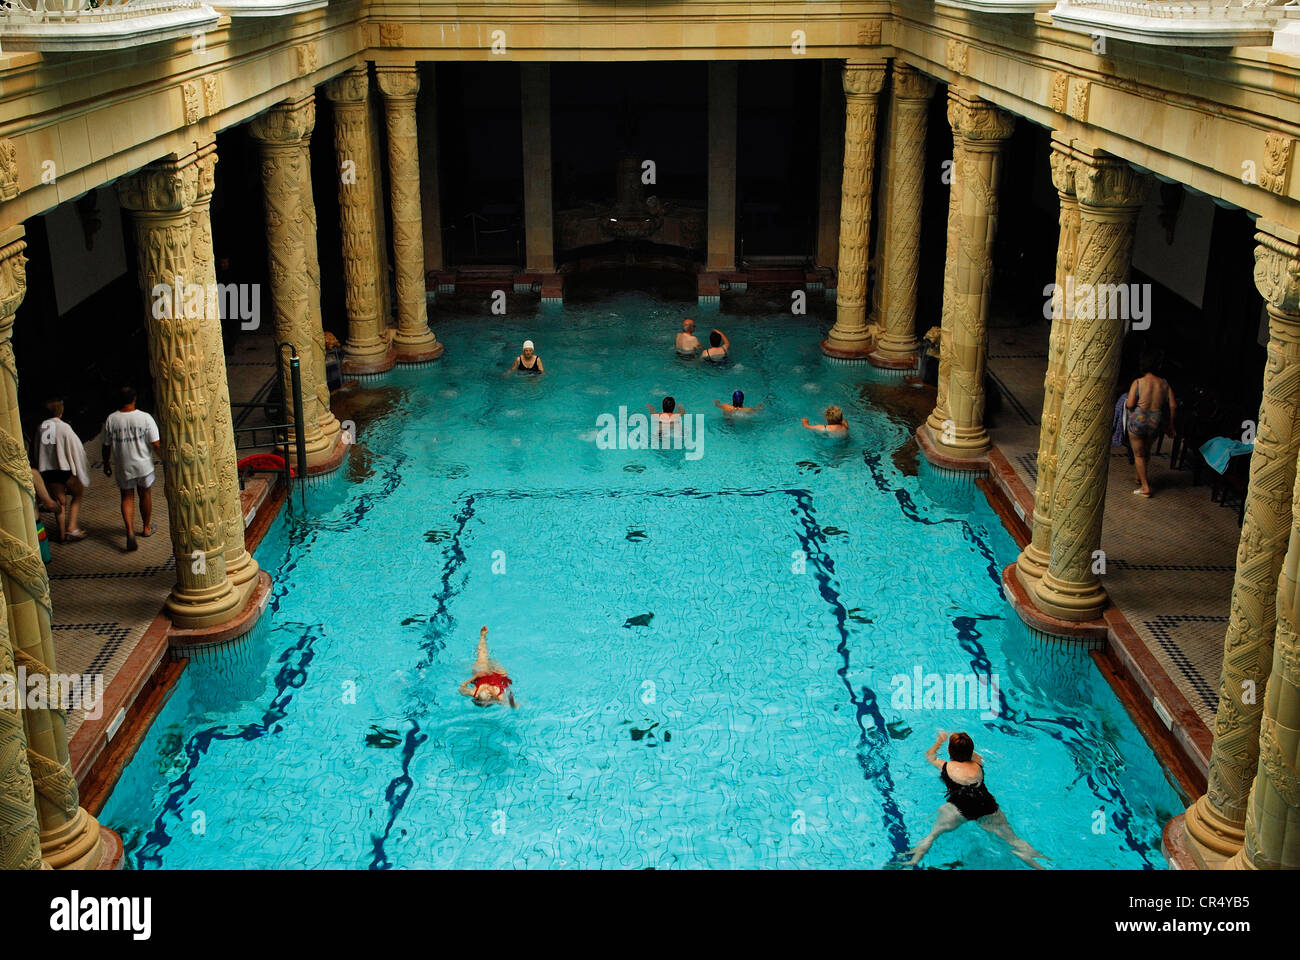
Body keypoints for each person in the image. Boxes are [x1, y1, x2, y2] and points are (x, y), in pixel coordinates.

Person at [904, 731, 1047, 869]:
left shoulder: (945, 766)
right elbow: (974, 754)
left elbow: (930, 756)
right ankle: (1042, 865)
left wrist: (939, 741)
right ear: (970, 750)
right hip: (987, 807)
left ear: (949, 751)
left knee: (932, 836)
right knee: (1014, 841)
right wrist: (963, 743)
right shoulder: (977, 764)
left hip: (959, 810)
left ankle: (912, 861)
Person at [101, 387, 161, 553]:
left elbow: (106, 445)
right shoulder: (145, 418)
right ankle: (147, 527)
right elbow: (156, 444)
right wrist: (166, 461)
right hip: (143, 466)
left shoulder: (111, 419)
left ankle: (129, 531)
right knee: (145, 494)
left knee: (127, 497)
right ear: (135, 398)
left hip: (123, 466)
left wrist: (106, 463)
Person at [37, 399, 91, 542]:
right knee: (77, 493)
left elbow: (36, 449)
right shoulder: (64, 427)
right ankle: (72, 527)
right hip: (64, 469)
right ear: (60, 413)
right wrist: (80, 468)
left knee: (60, 502)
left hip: (48, 471)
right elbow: (76, 447)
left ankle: (61, 535)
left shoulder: (41, 427)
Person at [1126, 356, 1176, 498]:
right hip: (1155, 420)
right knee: (1146, 450)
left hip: (1139, 420)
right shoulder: (1164, 384)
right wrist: (1170, 424)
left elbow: (1130, 404)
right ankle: (1138, 476)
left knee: (1138, 454)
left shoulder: (1138, 382)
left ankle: (1145, 487)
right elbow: (1173, 405)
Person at [459, 626, 517, 708]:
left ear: (478, 695)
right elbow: (513, 704)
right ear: (491, 697)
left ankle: (482, 636)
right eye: (488, 692)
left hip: (481, 675)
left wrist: (475, 677)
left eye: (484, 690)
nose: (487, 688)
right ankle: (490, 660)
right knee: (500, 668)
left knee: (482, 657)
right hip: (498, 675)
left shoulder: (475, 692)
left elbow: (461, 688)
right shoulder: (498, 696)